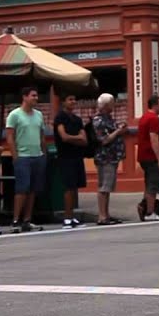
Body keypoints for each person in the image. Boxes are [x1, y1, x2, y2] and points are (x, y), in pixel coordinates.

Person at [5, 86, 47, 233]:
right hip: (23, 156)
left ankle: (27, 220)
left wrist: (44, 153)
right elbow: (10, 137)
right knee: (22, 189)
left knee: (33, 190)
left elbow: (41, 135)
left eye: (36, 96)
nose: (36, 98)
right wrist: (15, 156)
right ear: (24, 97)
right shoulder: (14, 115)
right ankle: (15, 220)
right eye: (33, 95)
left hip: (37, 155)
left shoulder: (39, 115)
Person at [52, 94, 89, 229]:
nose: (73, 102)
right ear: (63, 102)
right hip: (65, 156)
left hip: (77, 156)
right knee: (68, 187)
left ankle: (72, 216)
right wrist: (77, 138)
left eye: (74, 99)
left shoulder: (77, 119)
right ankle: (67, 218)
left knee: (74, 187)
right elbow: (64, 137)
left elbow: (85, 140)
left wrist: (75, 138)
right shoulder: (60, 117)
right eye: (70, 99)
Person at [91, 93, 127, 226]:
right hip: (105, 157)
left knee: (108, 187)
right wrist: (118, 131)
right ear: (105, 105)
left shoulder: (109, 119)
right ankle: (102, 216)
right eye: (111, 103)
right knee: (104, 187)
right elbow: (104, 140)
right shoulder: (99, 121)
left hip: (112, 157)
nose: (113, 105)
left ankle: (106, 214)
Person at [136, 95, 159, 221]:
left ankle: (144, 207)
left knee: (149, 183)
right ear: (155, 105)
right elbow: (154, 138)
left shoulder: (144, 117)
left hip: (143, 156)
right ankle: (150, 212)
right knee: (153, 185)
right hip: (151, 156)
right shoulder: (153, 119)